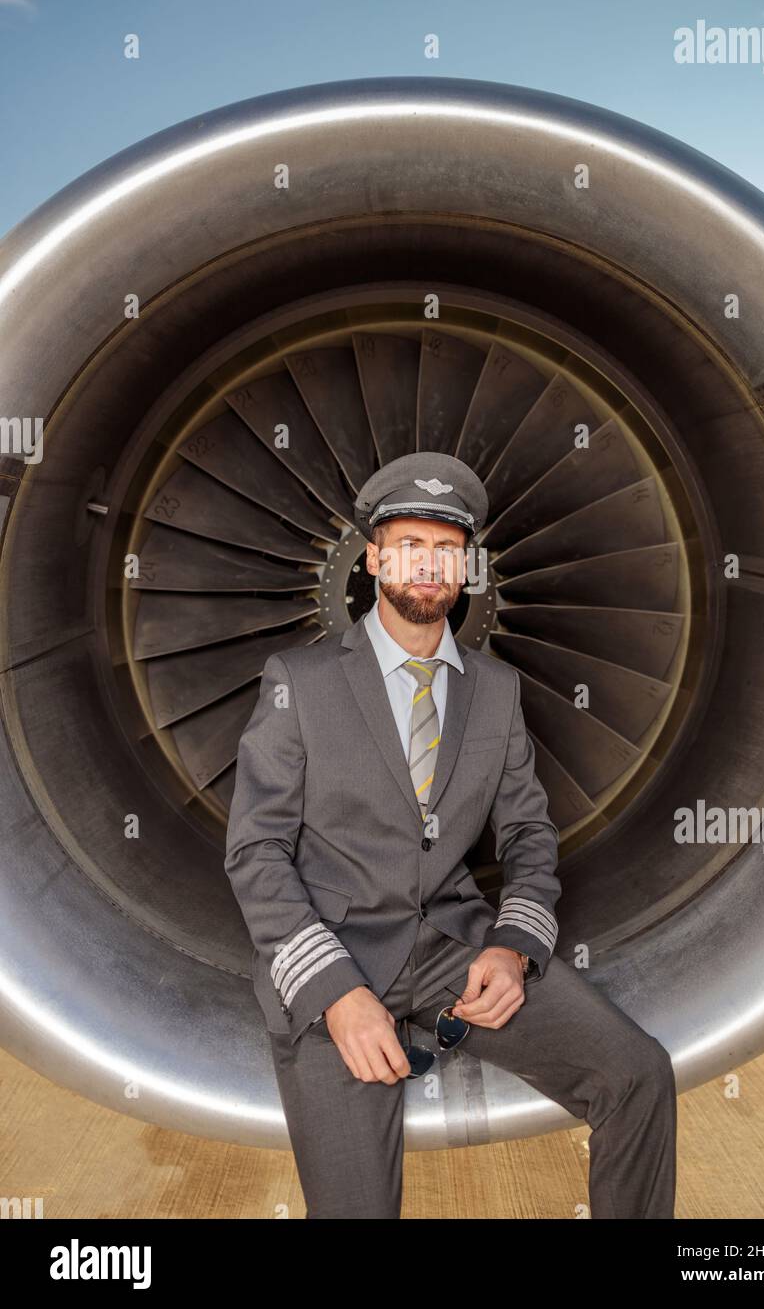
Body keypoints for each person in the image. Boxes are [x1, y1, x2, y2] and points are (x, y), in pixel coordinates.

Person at [225, 451, 677, 1218]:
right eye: (408, 545)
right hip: (338, 953)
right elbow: (255, 851)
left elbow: (530, 834)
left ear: (465, 566)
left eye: (445, 549)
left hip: (455, 950)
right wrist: (337, 996)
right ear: (374, 560)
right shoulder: (298, 682)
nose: (426, 565)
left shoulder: (495, 692)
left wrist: (513, 946)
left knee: (638, 1074)